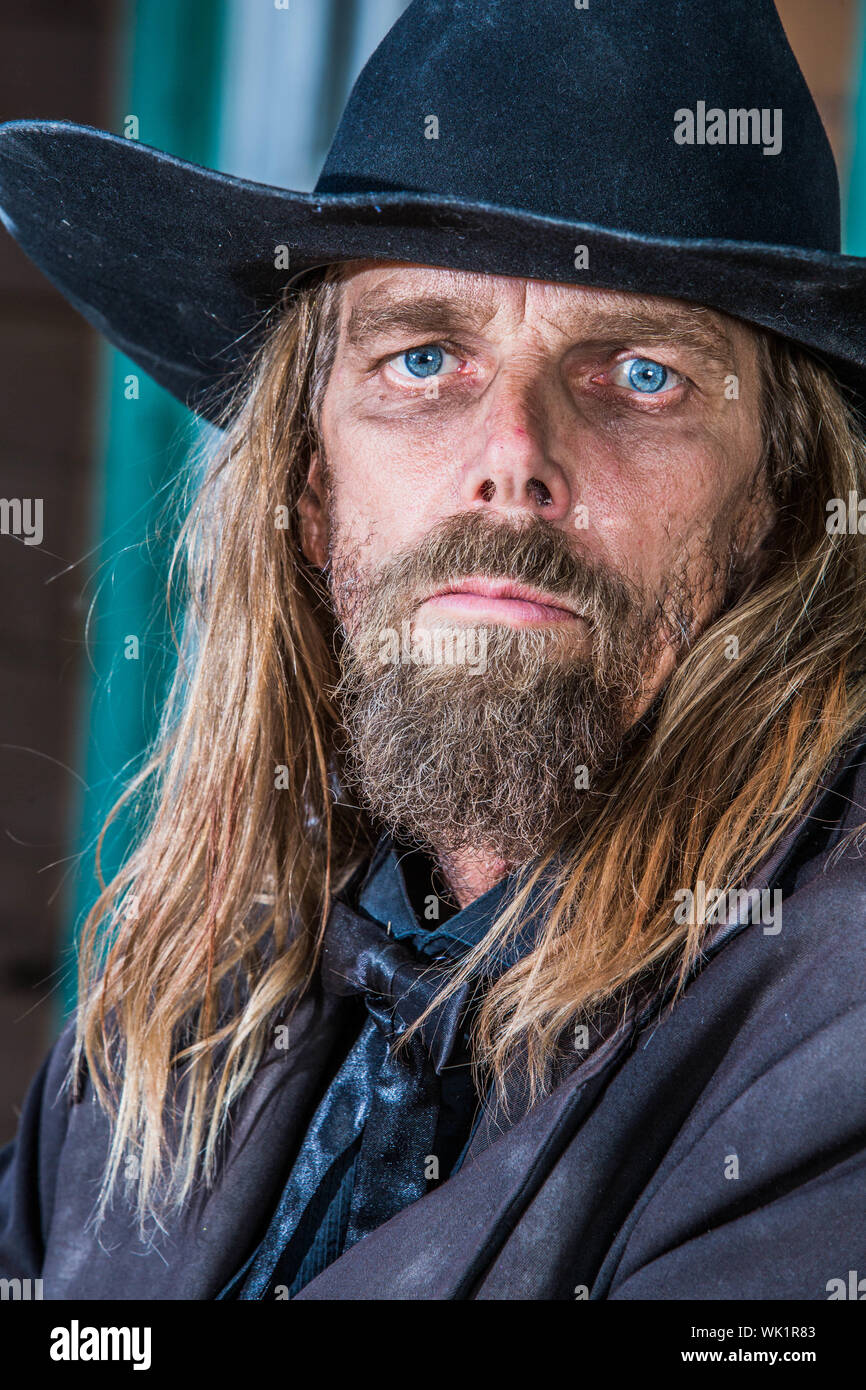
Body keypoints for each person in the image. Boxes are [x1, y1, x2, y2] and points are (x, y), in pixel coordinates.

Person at [1, 0, 865, 1300]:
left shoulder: (834, 1027)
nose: (511, 458)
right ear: (307, 488)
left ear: (775, 512)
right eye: (422, 358)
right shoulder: (176, 1007)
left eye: (638, 374)